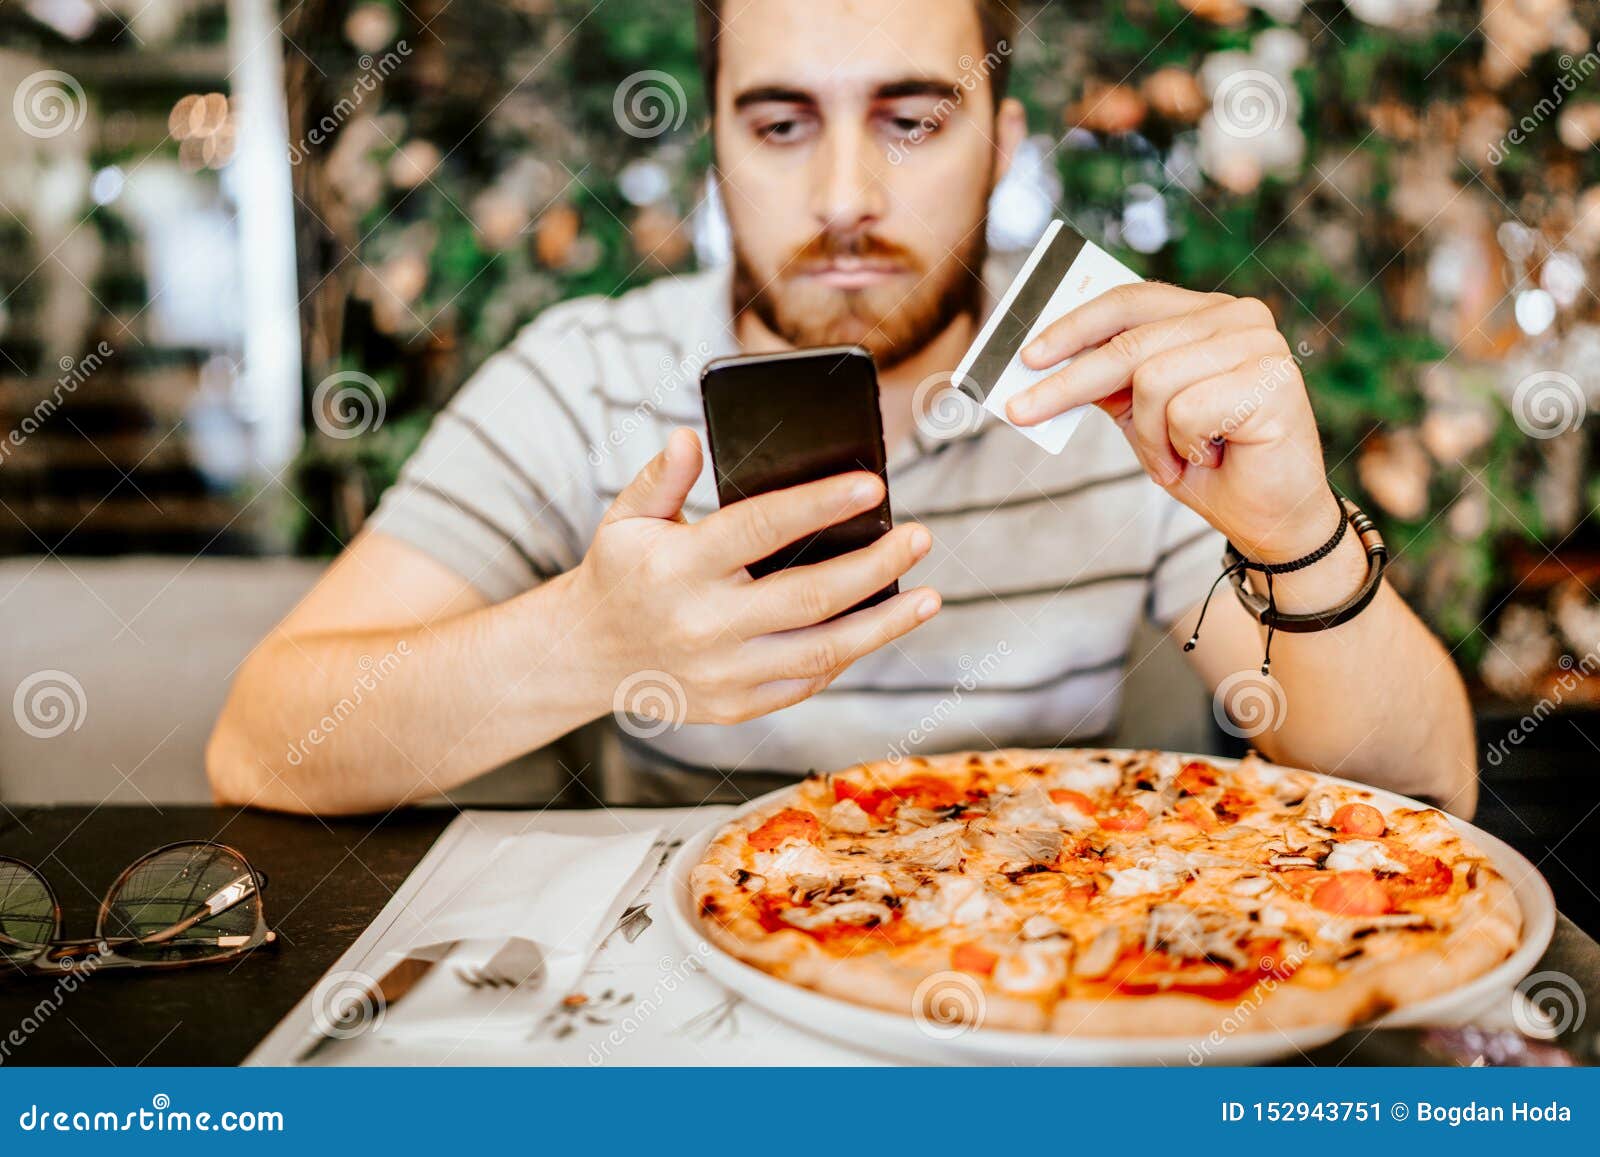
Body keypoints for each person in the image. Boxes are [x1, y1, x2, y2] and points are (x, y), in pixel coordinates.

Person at [207, 0, 1475, 817]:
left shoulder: (1120, 379)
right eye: (779, 124)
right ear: (714, 149)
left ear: (1002, 144)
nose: (844, 196)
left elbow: (1423, 790)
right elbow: (264, 743)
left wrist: (1293, 528)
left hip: (1041, 977)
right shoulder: (584, 373)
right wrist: (586, 642)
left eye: (911, 119)